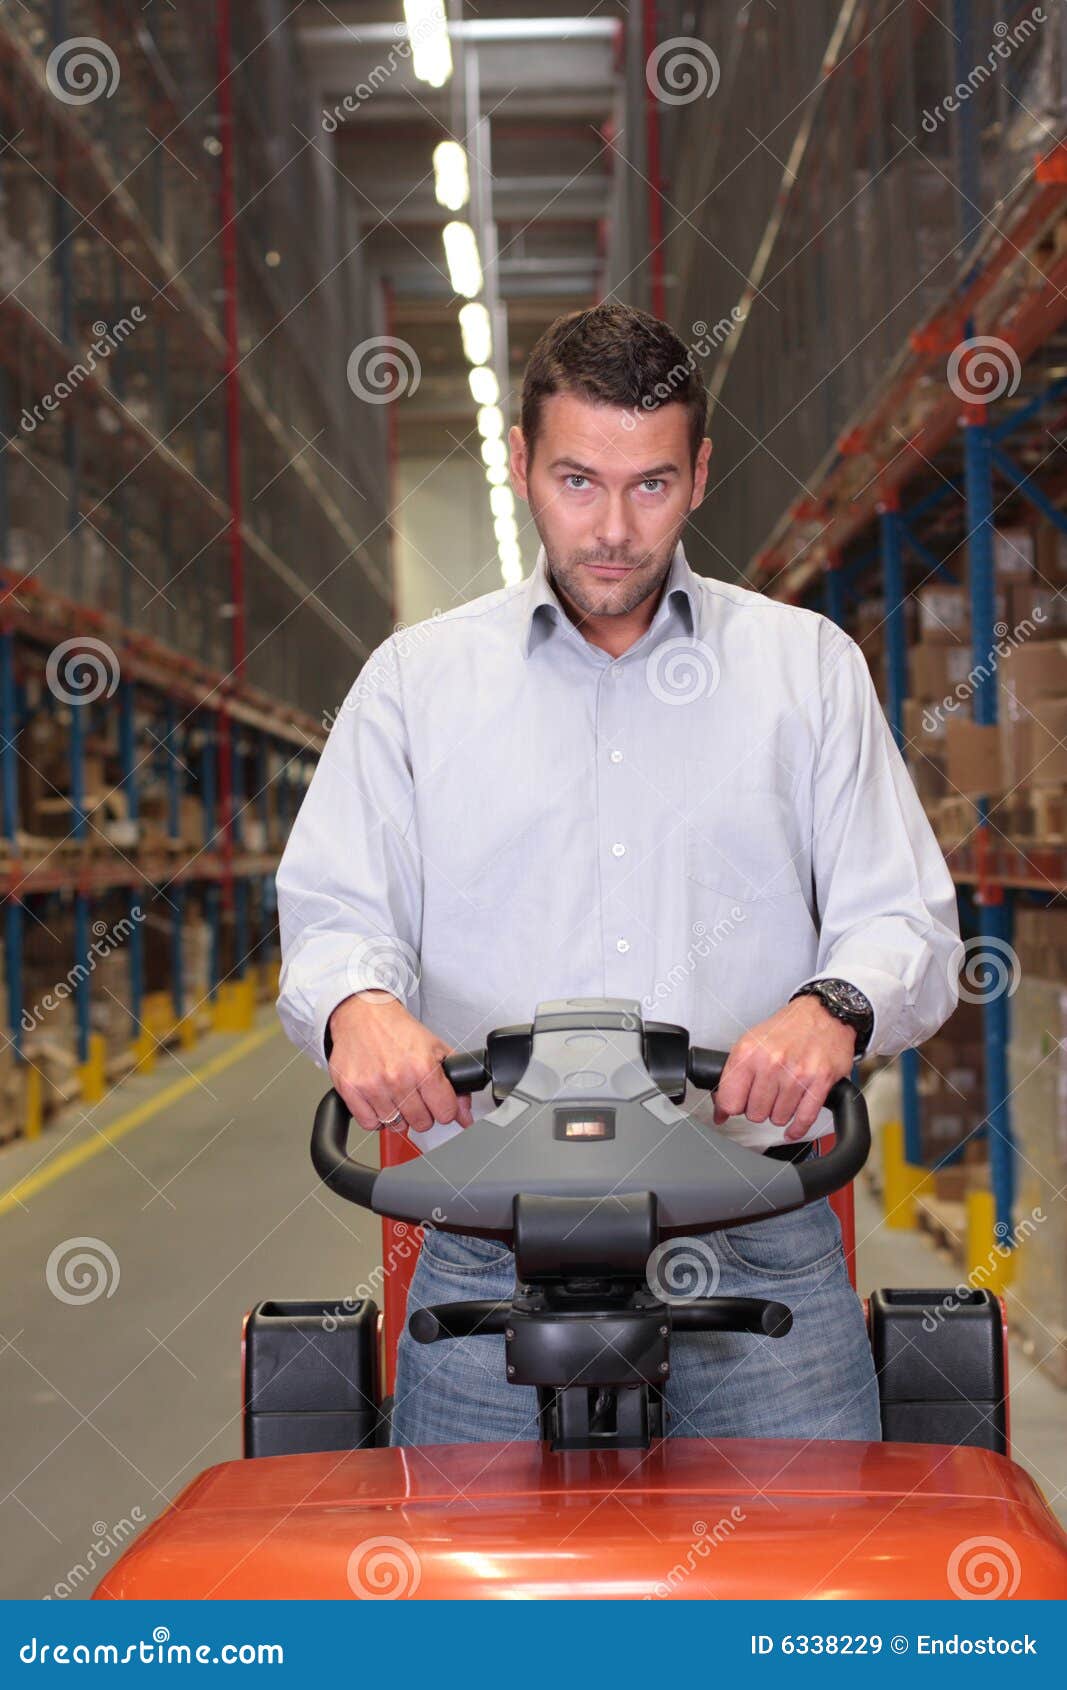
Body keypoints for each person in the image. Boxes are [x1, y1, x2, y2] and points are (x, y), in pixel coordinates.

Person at [275, 301, 963, 1449]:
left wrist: (832, 1007)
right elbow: (338, 910)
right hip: (491, 1234)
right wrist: (357, 1006)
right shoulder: (415, 684)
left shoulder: (803, 671)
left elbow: (901, 922)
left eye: (648, 485)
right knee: (462, 1605)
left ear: (696, 475)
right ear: (522, 467)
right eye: (576, 481)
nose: (610, 528)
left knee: (797, 1594)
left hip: (755, 1220)